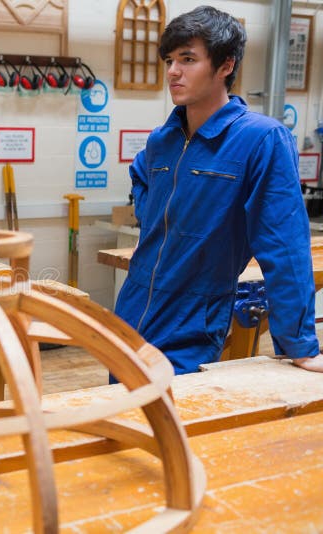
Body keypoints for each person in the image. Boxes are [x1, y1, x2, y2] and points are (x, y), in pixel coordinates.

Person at [114, 5, 323, 377]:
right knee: (122, 406)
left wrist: (299, 344)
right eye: (169, 60)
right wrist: (153, 222)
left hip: (191, 319)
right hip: (130, 311)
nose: (173, 71)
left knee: (170, 411)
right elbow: (141, 175)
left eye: (188, 59)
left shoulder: (261, 139)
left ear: (226, 65)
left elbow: (284, 245)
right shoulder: (163, 139)